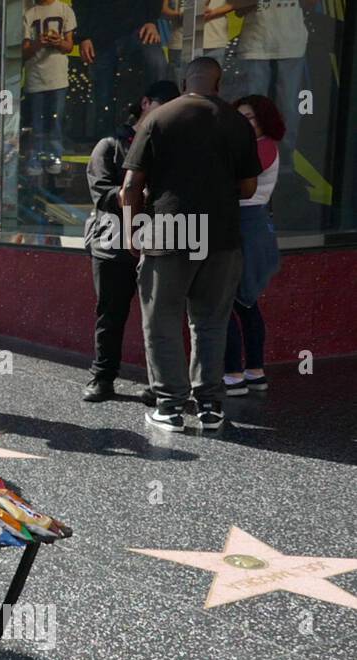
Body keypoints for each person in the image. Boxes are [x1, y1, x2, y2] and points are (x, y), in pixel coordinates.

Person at [122, 57, 261, 433]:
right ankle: (211, 407)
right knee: (211, 323)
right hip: (222, 236)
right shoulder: (236, 121)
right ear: (219, 83)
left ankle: (169, 407)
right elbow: (249, 187)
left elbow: (131, 186)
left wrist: (132, 230)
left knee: (161, 319)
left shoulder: (158, 118)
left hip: (170, 229)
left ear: (185, 82)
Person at [82, 80, 180, 403]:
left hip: (154, 241)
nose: (164, 114)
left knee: (158, 317)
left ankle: (158, 383)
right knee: (110, 314)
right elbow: (102, 194)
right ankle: (102, 377)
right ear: (145, 103)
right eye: (160, 106)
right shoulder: (110, 145)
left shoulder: (167, 146)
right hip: (112, 243)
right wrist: (136, 195)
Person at [224, 94, 286, 396]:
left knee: (229, 301)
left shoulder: (263, 146)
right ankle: (253, 372)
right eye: (239, 117)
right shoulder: (259, 145)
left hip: (247, 226)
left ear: (262, 119)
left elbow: (234, 179)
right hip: (248, 225)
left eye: (248, 117)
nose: (243, 122)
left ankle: (235, 374)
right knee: (245, 304)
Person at [211, 0, 307, 173]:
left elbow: (310, 4)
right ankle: (250, 157)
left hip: (292, 42)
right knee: (252, 109)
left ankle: (283, 161)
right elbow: (238, 9)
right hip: (256, 41)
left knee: (289, 107)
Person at [77, 0, 171, 137]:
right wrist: (83, 36)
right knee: (103, 93)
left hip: (138, 27)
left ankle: (155, 129)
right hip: (101, 32)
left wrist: (151, 20)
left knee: (157, 66)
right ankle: (106, 142)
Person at [22, 0, 77, 176]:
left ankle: (54, 157)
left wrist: (57, 41)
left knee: (55, 122)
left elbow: (69, 46)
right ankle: (35, 159)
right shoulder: (29, 13)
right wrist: (39, 43)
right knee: (36, 124)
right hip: (35, 77)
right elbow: (25, 51)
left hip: (58, 77)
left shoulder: (65, 10)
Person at [162, 1, 229, 67]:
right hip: (181, 42)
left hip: (214, 41)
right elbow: (162, 9)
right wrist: (182, 14)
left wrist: (213, 13)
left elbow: (235, 4)